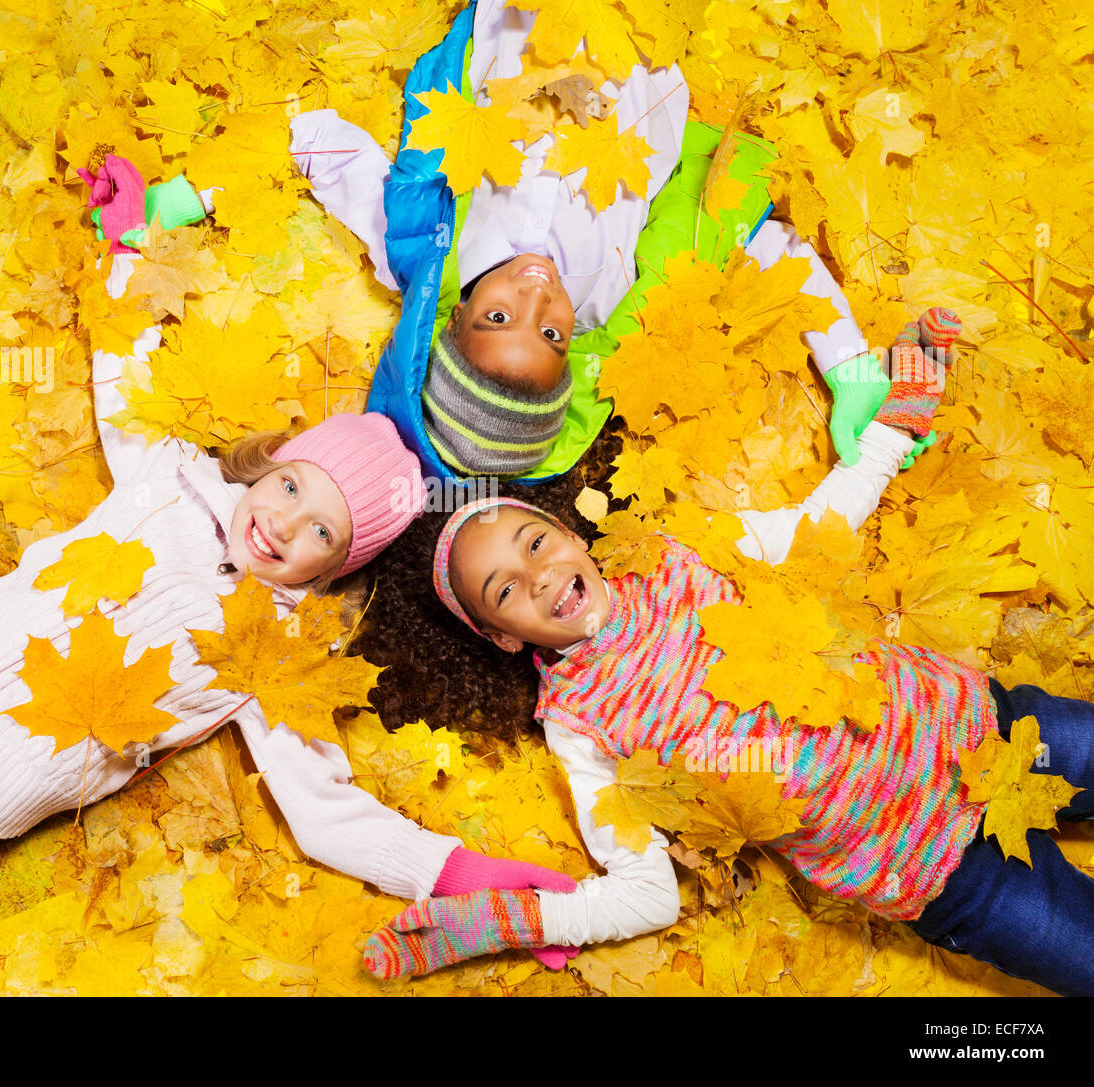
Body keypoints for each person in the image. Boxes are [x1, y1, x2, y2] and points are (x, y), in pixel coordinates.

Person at [0, 155, 578, 939]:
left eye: (322, 534)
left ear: (331, 569)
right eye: (296, 487)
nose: (286, 523)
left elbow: (327, 814)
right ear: (276, 462)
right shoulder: (168, 476)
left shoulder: (267, 655)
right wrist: (130, 246)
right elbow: (123, 374)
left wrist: (452, 872)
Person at [360, 312, 1094, 997]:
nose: (541, 576)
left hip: (986, 729)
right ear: (502, 636)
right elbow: (646, 891)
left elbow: (823, 522)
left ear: (571, 533)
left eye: (536, 543)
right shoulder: (576, 722)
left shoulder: (681, 552)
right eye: (506, 590)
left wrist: (895, 423)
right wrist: (507, 922)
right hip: (942, 873)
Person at [290, 0, 906, 482]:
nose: (537, 299)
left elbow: (332, 156)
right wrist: (848, 365)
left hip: (528, 29)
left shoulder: (424, 253)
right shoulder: (615, 305)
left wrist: (201, 194)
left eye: (499, 317)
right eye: (552, 335)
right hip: (637, 53)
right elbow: (764, 251)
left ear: (452, 323)